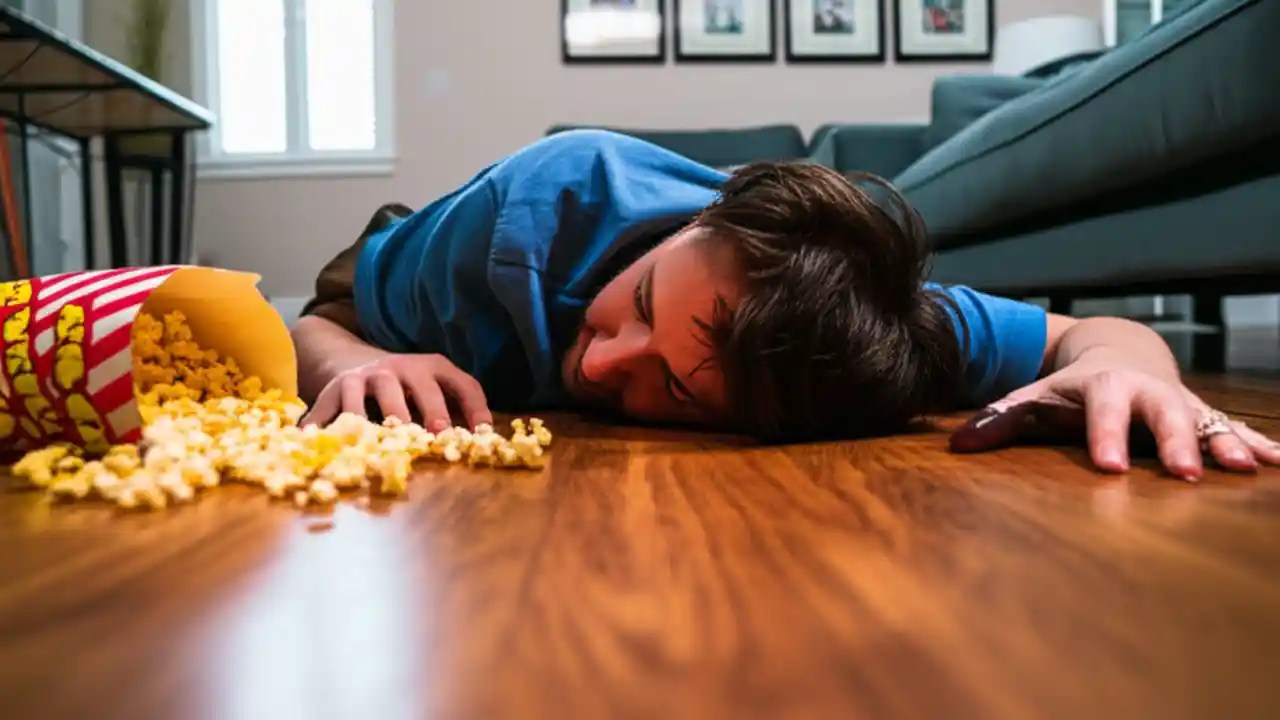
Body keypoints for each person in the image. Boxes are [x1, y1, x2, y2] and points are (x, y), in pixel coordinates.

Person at [294, 129, 1280, 480]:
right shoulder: (524, 220)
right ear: (698, 222)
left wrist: (1121, 372)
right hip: (401, 253)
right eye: (632, 306)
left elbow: (1095, 336)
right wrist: (353, 360)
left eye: (670, 391)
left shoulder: (872, 339)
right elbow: (318, 312)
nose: (598, 365)